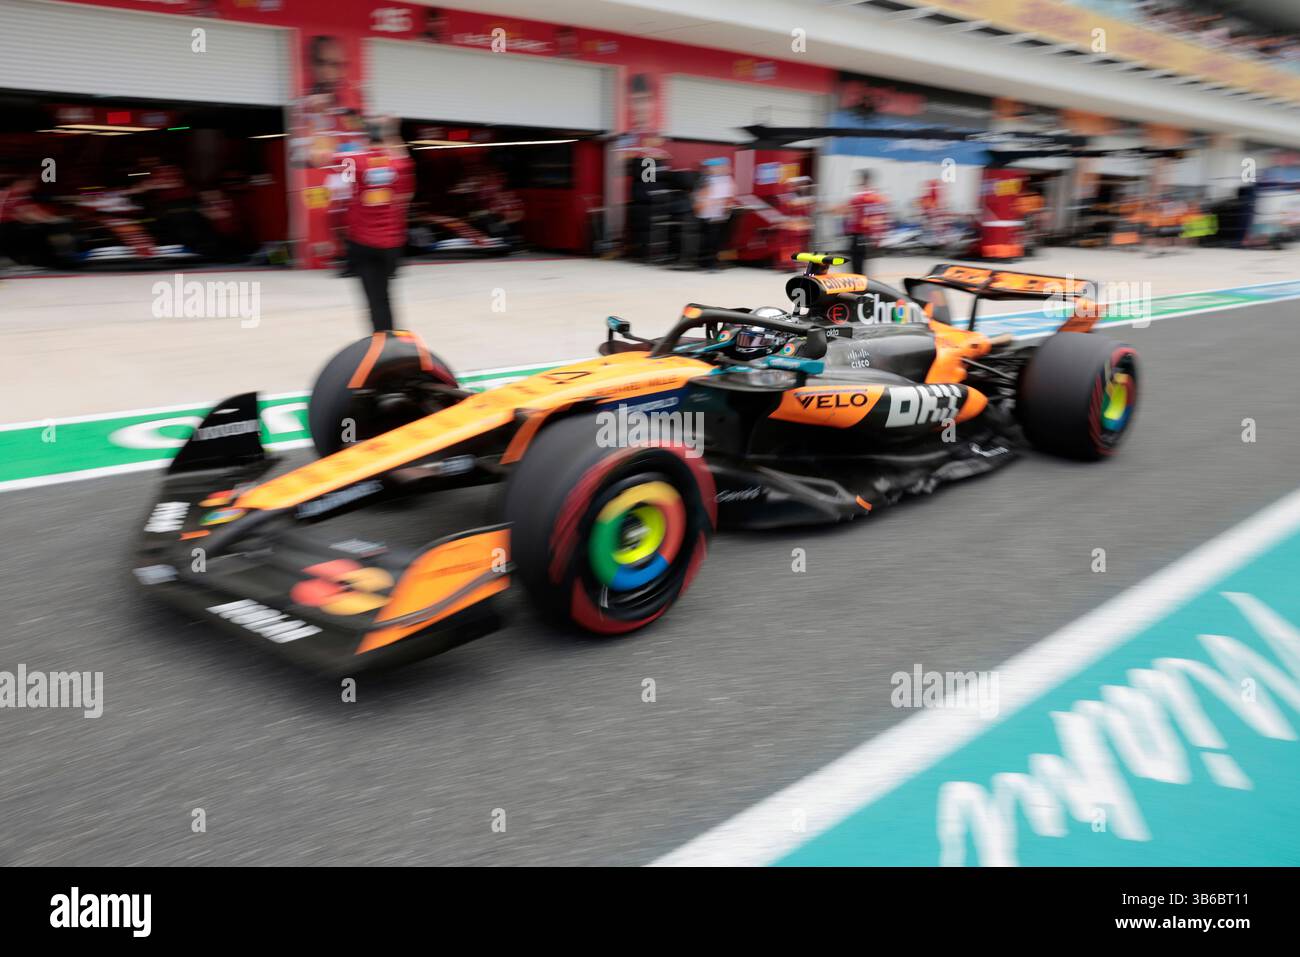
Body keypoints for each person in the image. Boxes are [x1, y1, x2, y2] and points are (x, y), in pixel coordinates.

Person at [336, 115, 414, 333]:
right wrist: (393, 131)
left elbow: (339, 182)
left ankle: (380, 340)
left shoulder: (353, 162)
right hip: (391, 244)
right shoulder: (399, 164)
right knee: (386, 295)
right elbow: (406, 195)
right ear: (386, 137)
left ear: (365, 136)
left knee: (373, 298)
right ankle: (389, 336)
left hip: (362, 242)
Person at [839, 170, 888, 275]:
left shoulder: (861, 197)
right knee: (863, 268)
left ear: (863, 180)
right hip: (869, 238)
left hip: (859, 236)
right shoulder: (879, 197)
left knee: (856, 269)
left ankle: (859, 289)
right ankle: (864, 287)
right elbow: (881, 218)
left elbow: (846, 209)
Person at [694, 157, 735, 270]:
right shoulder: (707, 179)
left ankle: (712, 261)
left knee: (717, 239)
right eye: (721, 167)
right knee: (710, 239)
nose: (725, 169)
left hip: (720, 213)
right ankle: (707, 263)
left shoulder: (727, 179)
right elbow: (701, 197)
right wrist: (709, 203)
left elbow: (729, 194)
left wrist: (727, 204)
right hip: (708, 213)